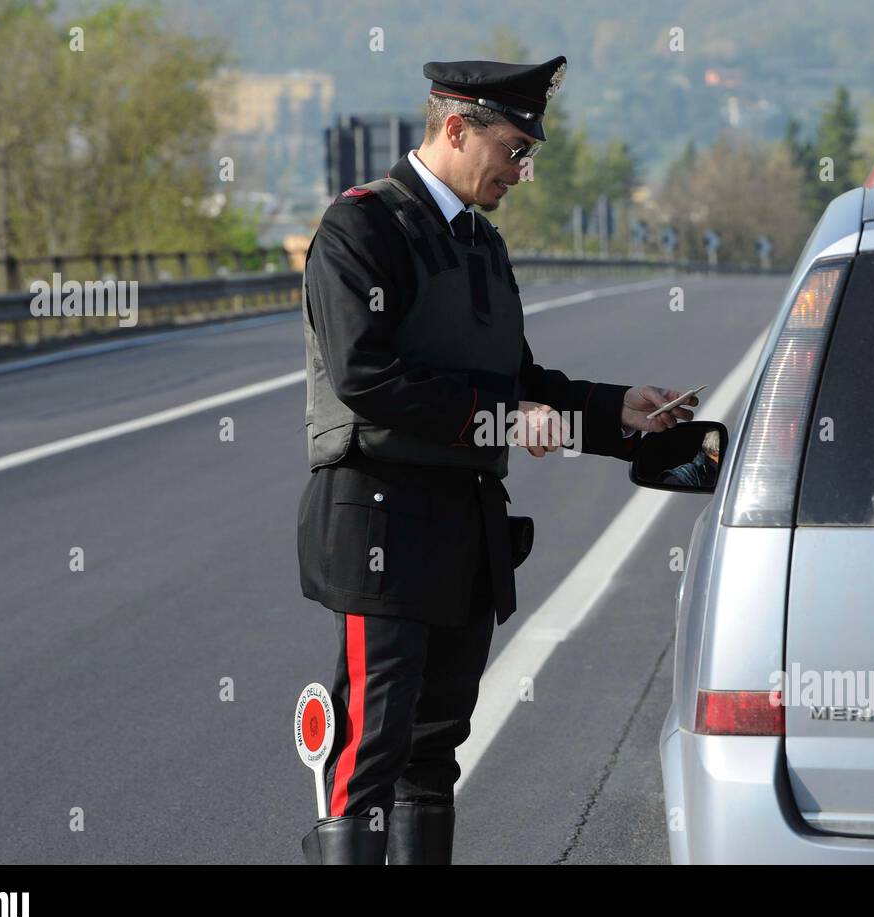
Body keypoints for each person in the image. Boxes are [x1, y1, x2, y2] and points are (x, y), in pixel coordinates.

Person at [296, 54, 697, 864]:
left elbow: (521, 383)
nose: (524, 171)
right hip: (382, 524)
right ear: (455, 128)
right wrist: (506, 416)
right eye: (515, 150)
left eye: (528, 154)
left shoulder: (481, 244)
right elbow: (367, 379)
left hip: (463, 530)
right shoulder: (362, 226)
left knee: (436, 751)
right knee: (372, 747)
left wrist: (618, 412)